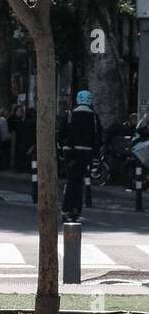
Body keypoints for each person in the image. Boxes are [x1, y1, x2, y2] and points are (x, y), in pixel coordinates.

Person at [60, 89, 102, 222]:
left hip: (71, 153)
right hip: (86, 154)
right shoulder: (94, 117)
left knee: (71, 181)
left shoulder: (71, 115)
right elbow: (98, 137)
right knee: (79, 183)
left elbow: (62, 134)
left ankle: (66, 208)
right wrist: (95, 156)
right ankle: (76, 210)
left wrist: (64, 151)